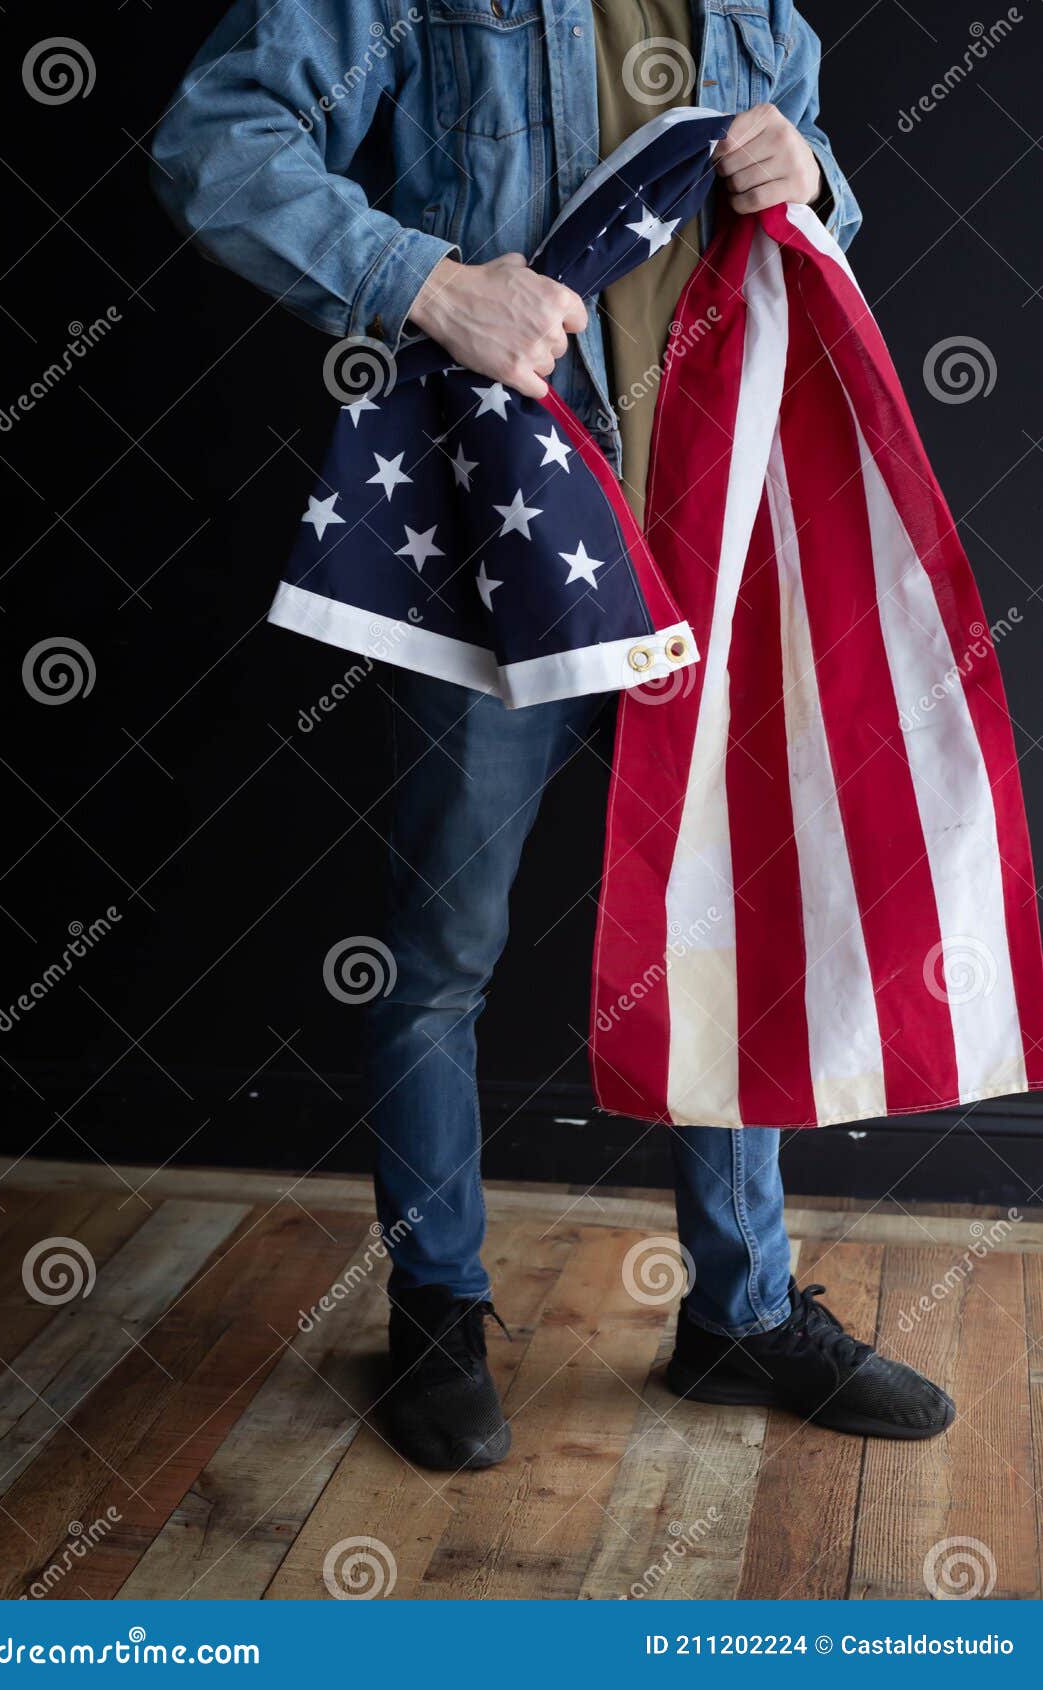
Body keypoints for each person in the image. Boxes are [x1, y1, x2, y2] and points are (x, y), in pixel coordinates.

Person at [154, 1, 954, 1471]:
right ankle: (437, 1312)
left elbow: (804, 181)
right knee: (443, 952)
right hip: (503, 517)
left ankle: (738, 1315)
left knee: (724, 924)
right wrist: (429, 283)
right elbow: (216, 139)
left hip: (708, 526)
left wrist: (814, 172)